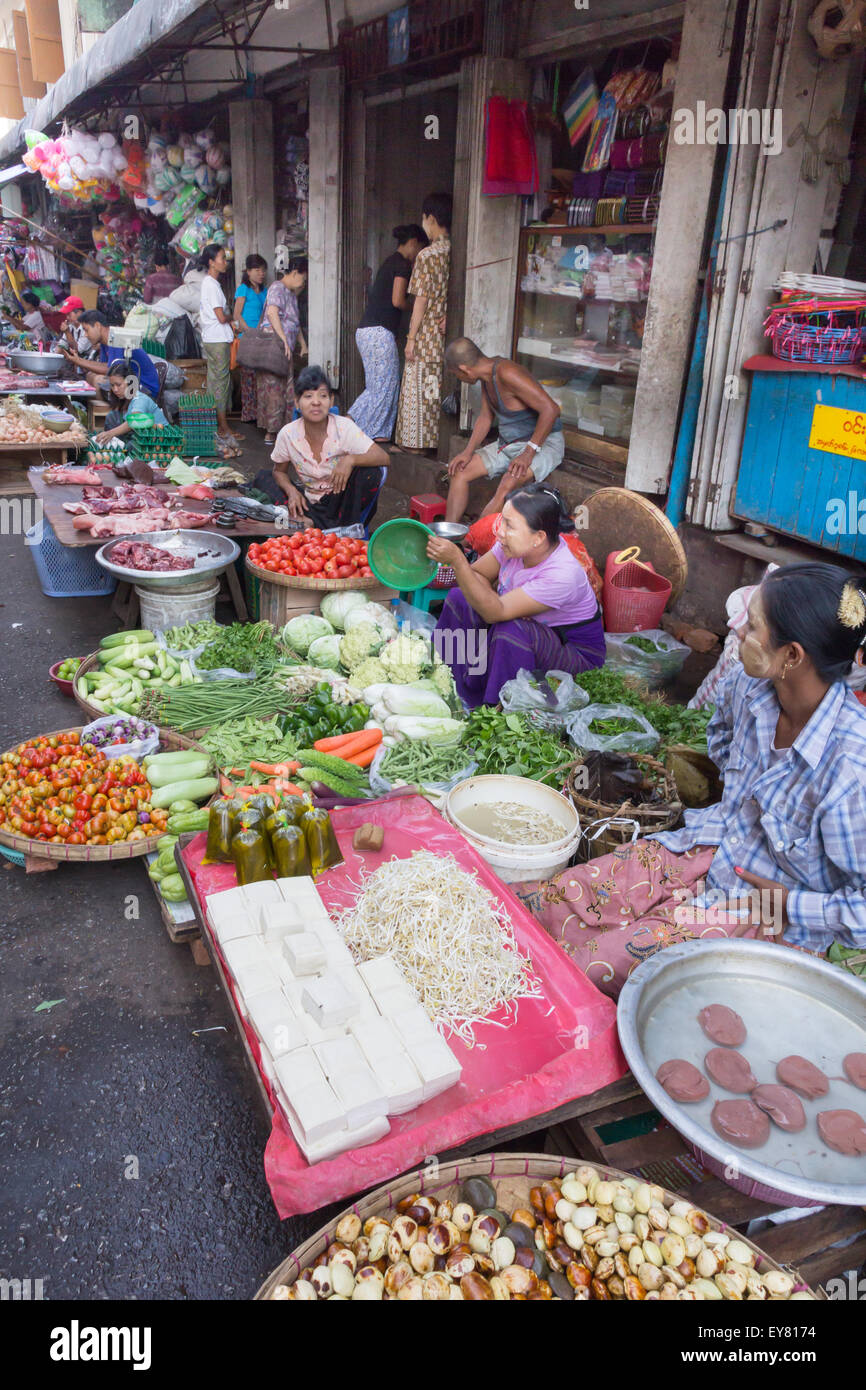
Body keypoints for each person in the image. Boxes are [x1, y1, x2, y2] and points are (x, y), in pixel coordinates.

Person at [517, 562, 866, 999]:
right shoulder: (747, 686)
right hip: (710, 847)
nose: (736, 631)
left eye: (752, 626)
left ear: (791, 656)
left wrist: (790, 903)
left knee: (590, 968)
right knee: (560, 897)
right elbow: (721, 739)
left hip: (767, 914)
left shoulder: (851, 769)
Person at [429, 483, 604, 708]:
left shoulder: (562, 575)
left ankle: (492, 710)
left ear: (538, 537)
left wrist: (457, 560)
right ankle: (448, 680)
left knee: (509, 630)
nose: (500, 531)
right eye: (503, 520)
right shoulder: (513, 546)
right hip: (531, 632)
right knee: (460, 598)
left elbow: (496, 612)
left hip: (575, 653)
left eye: (509, 525)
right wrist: (487, 599)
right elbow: (478, 574)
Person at [442, 338, 565, 522]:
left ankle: (473, 544)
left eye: (456, 374)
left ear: (464, 369)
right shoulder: (486, 377)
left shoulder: (507, 372)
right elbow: (485, 417)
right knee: (460, 472)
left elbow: (551, 409)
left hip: (543, 444)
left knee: (508, 483)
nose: (459, 379)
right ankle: (447, 536)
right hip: (508, 444)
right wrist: (467, 452)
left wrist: (528, 453)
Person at [260, 365, 388, 529]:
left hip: (340, 502)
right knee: (264, 478)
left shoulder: (344, 427)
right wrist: (292, 491)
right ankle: (314, 522)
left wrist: (350, 460)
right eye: (308, 396)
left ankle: (335, 528)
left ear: (331, 401)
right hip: (308, 503)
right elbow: (278, 471)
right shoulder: (288, 434)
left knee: (370, 472)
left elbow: (384, 457)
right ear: (297, 403)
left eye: (322, 395)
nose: (316, 402)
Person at [348, 224, 427, 442]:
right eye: (419, 248)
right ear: (413, 243)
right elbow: (397, 300)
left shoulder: (390, 261)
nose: (418, 255)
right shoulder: (402, 265)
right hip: (378, 333)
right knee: (383, 386)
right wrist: (420, 307)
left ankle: (374, 433)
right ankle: (349, 426)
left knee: (381, 386)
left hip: (369, 332)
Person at [394, 192, 452, 453]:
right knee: (434, 391)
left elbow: (421, 300)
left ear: (431, 218)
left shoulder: (427, 255)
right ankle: (433, 443)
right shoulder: (453, 251)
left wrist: (411, 337)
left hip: (426, 334)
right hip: (444, 338)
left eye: (424, 218)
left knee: (417, 390)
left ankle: (415, 445)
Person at [257, 256, 308, 444]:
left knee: (286, 388)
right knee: (274, 389)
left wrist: (302, 344)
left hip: (285, 348)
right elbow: (271, 313)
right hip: (275, 347)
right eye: (303, 278)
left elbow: (295, 322)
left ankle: (284, 430)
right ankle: (271, 432)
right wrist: (284, 340)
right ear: (294, 273)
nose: (303, 283)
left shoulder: (291, 293)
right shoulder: (277, 288)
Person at [61, 309, 161, 402]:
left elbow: (112, 370)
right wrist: (79, 361)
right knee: (91, 376)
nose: (86, 335)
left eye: (86, 330)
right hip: (128, 383)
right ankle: (101, 413)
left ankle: (108, 414)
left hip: (145, 389)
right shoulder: (105, 342)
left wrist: (79, 361)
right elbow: (106, 367)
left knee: (97, 380)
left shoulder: (117, 337)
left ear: (97, 325)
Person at [198, 243, 241, 456]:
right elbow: (221, 317)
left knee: (216, 381)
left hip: (213, 338)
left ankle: (216, 426)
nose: (225, 262)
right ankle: (223, 428)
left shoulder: (211, 284)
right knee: (220, 383)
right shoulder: (211, 285)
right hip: (217, 339)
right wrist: (235, 316)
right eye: (222, 258)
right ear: (211, 262)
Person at [232, 253, 268, 426]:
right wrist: (248, 331)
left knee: (260, 377)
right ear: (248, 271)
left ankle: (260, 414)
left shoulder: (265, 291)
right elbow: (236, 314)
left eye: (263, 270)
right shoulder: (243, 289)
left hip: (262, 338)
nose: (261, 273)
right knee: (248, 378)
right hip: (247, 338)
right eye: (257, 270)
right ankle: (248, 414)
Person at [95, 360, 170, 441]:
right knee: (112, 416)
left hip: (160, 437)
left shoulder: (139, 399)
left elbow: (134, 421)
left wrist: (110, 433)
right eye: (112, 385)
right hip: (143, 433)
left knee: (131, 445)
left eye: (119, 385)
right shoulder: (124, 398)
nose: (115, 389)